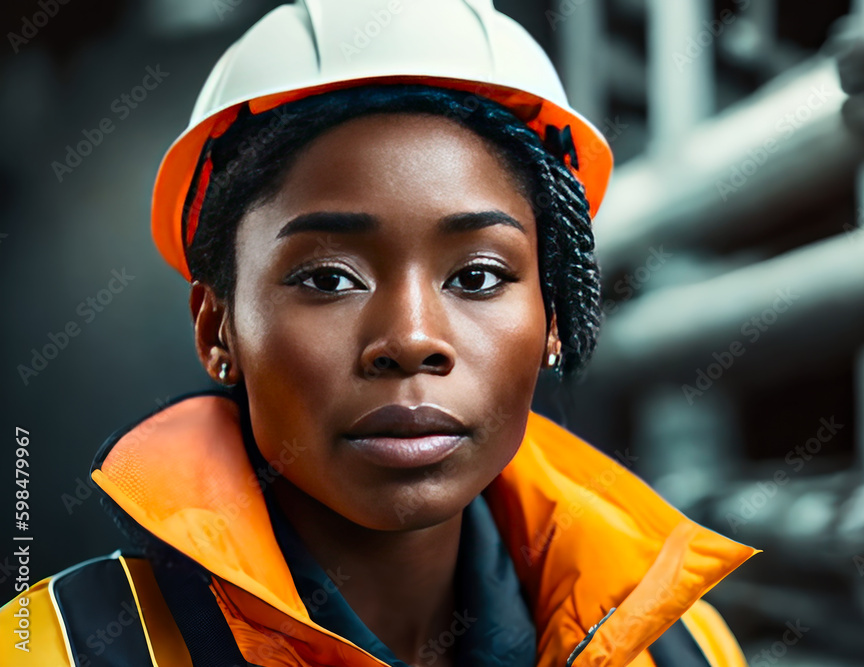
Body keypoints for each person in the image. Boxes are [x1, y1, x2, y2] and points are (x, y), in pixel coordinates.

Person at [1, 1, 757, 665]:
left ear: (553, 318)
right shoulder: (51, 650)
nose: (411, 337)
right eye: (328, 278)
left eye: (478, 276)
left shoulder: (684, 646)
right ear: (217, 327)